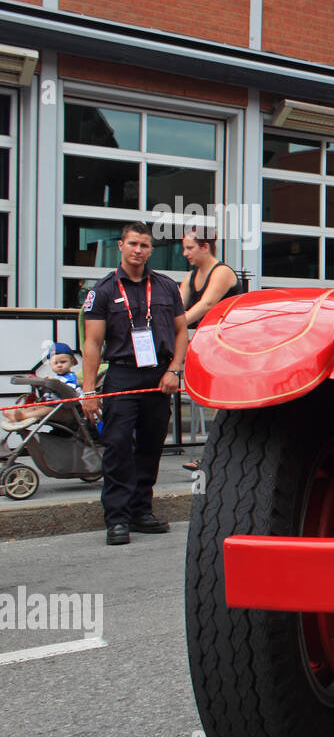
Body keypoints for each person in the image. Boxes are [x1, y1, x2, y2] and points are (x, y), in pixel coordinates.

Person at [81, 222, 188, 546]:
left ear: (151, 250)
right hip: (123, 375)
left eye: (144, 245)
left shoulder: (167, 287)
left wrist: (174, 370)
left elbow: (182, 331)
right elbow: (92, 344)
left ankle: (142, 511)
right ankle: (117, 519)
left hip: (159, 376)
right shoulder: (102, 291)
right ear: (121, 246)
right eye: (132, 243)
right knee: (117, 446)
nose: (138, 250)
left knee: (150, 446)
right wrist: (88, 391)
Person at [179, 228, 241, 471]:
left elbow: (206, 304)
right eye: (184, 248)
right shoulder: (191, 276)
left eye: (190, 248)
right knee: (216, 402)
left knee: (222, 403)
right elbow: (177, 305)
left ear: (205, 247)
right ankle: (215, 457)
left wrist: (175, 323)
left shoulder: (222, 272)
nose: (185, 253)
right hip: (210, 346)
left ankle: (214, 458)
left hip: (231, 345)